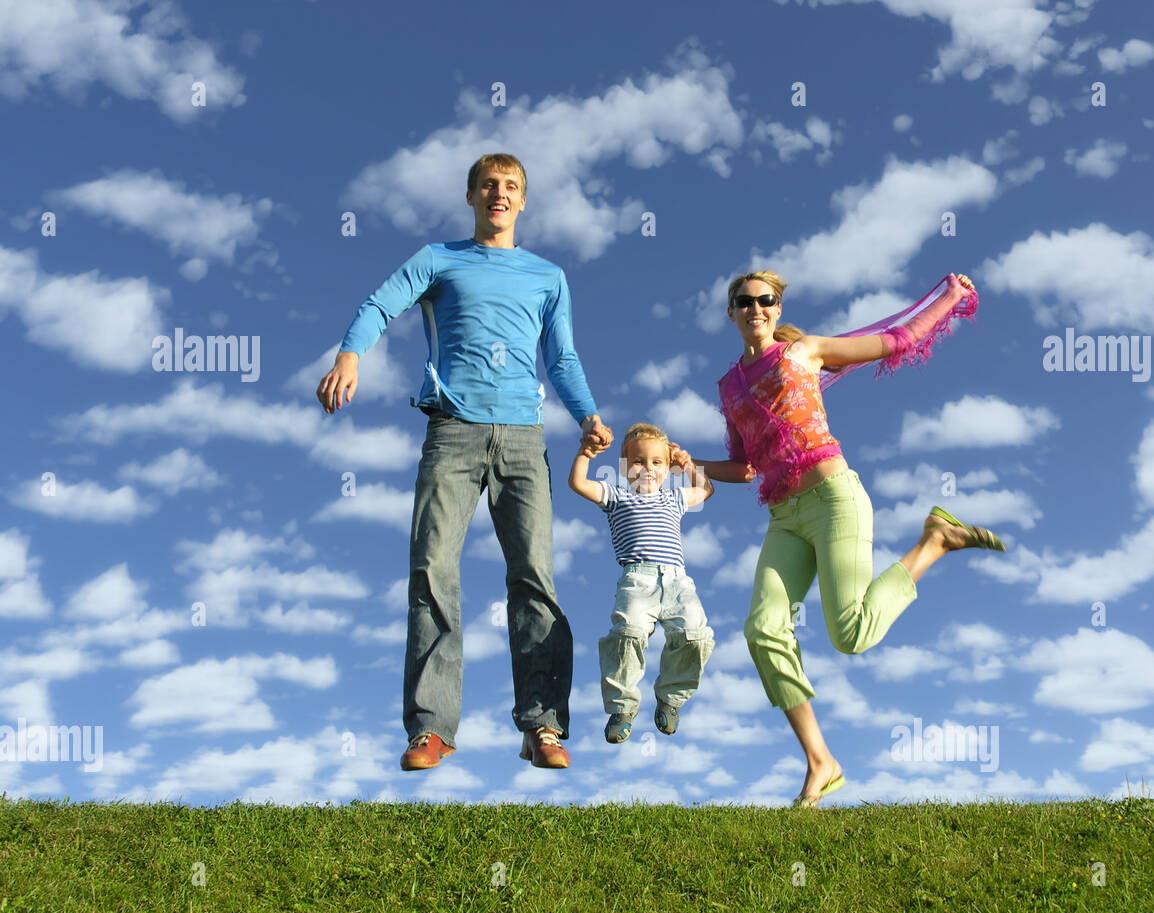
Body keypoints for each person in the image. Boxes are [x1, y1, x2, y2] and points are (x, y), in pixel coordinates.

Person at [316, 153, 613, 773]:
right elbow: (380, 303)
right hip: (452, 431)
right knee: (433, 570)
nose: (499, 195)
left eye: (510, 187)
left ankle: (543, 726)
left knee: (534, 577)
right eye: (488, 186)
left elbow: (561, 358)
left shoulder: (547, 275)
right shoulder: (438, 259)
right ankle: (430, 729)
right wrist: (350, 355)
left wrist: (586, 415)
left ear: (523, 201)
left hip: (525, 438)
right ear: (472, 196)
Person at [691, 269, 1003, 808]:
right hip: (784, 515)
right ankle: (821, 762)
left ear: (777, 309)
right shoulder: (728, 387)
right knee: (762, 628)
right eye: (744, 302)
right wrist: (690, 462)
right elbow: (745, 468)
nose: (755, 309)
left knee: (851, 634)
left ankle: (934, 541)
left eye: (766, 301)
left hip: (835, 498)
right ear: (731, 312)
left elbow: (896, 341)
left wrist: (951, 297)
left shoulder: (805, 352)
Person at [569, 423, 715, 744]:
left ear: (667, 468)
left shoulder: (674, 498)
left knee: (696, 636)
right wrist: (586, 452)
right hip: (638, 579)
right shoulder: (617, 496)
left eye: (656, 462)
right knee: (628, 633)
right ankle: (622, 708)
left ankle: (670, 698)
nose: (647, 468)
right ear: (624, 467)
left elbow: (705, 490)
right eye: (638, 461)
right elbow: (578, 482)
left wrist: (689, 466)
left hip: (678, 582)